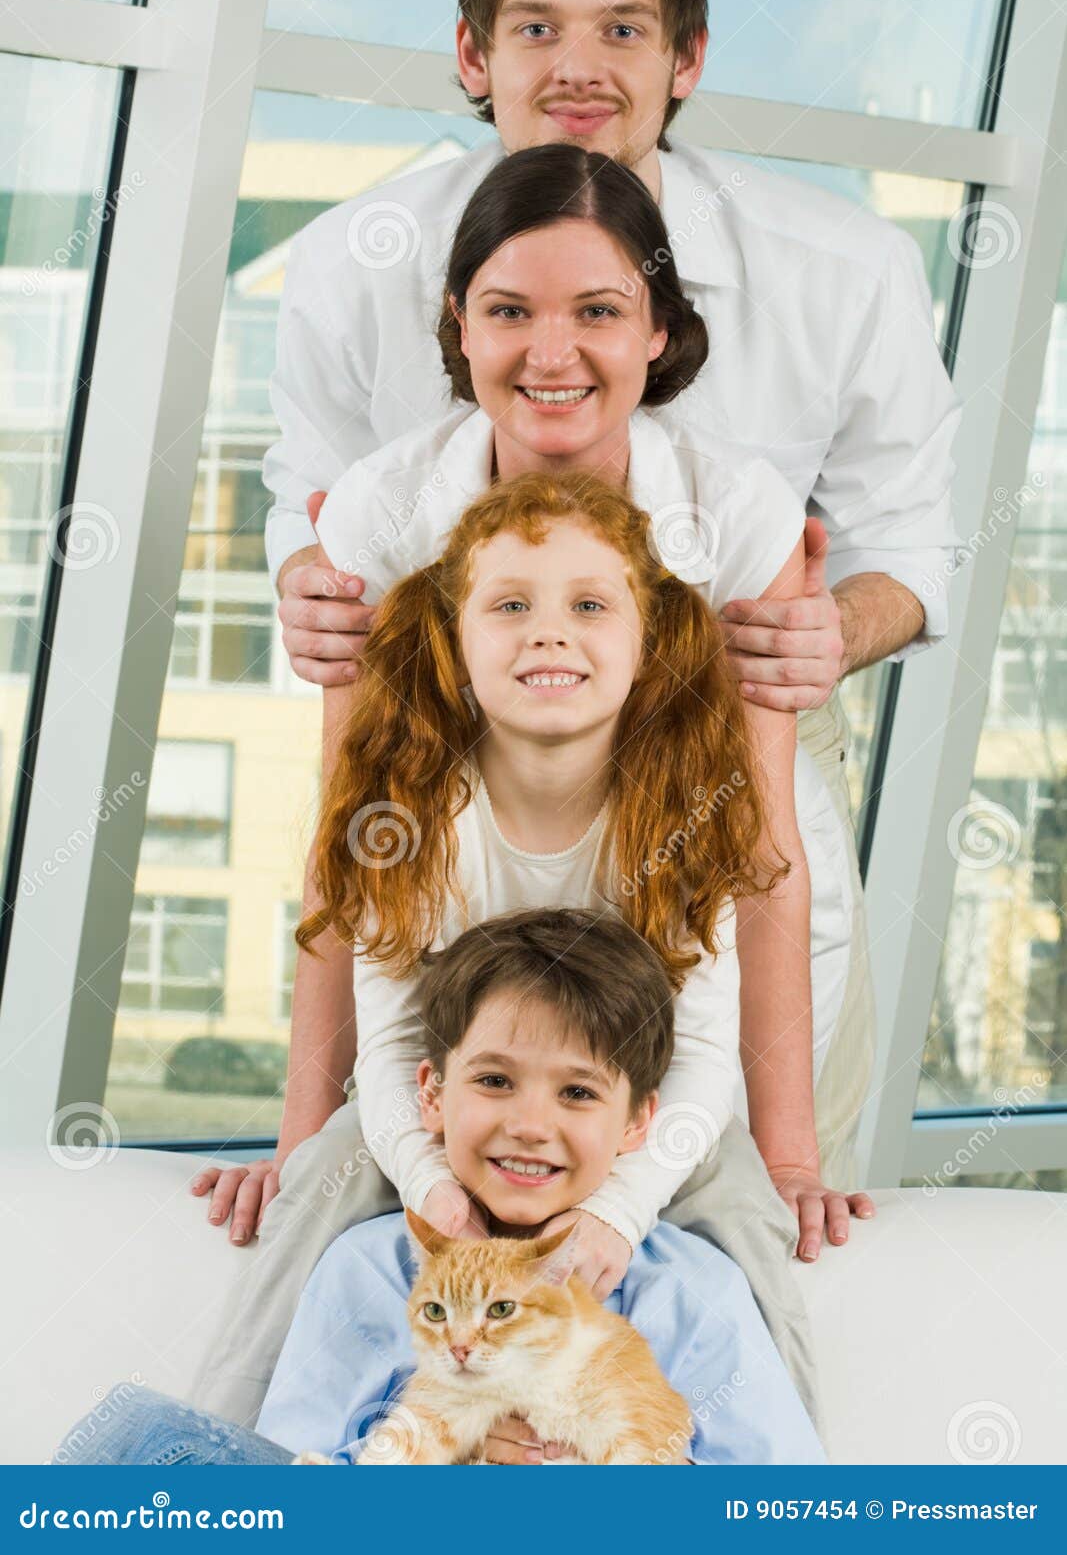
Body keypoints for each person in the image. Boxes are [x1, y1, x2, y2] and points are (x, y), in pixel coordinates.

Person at [261, 0, 960, 1212]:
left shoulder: (841, 266)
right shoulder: (353, 264)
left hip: (734, 734)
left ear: (686, 55)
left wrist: (828, 627)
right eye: (534, 29)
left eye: (623, 29)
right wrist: (311, 592)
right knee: (445, 1185)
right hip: (439, 757)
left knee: (739, 1205)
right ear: (471, 55)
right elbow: (314, 538)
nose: (577, 66)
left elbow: (910, 552)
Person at [190, 470, 852, 1428]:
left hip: (635, 1111)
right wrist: (431, 1190)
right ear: (455, 644)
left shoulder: (683, 805)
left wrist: (616, 1213)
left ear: (646, 642)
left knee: (746, 1217)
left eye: (589, 605)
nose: (549, 632)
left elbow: (704, 1058)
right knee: (323, 1181)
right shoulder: (409, 808)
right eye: (509, 606)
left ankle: (796, 1498)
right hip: (449, 1108)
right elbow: (389, 1048)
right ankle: (228, 1464)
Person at [54, 911, 826, 1466]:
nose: (530, 1125)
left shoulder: (689, 1290)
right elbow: (294, 1463)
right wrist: (451, 1454)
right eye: (494, 1081)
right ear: (429, 1095)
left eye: (578, 1094)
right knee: (146, 1452)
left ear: (638, 1124)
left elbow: (776, 1494)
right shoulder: (372, 1266)